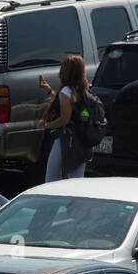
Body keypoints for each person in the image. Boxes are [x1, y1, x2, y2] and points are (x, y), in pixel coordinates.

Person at [36, 53, 90, 181]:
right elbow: (67, 105)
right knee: (76, 180)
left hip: (66, 140)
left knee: (51, 179)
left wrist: (46, 125)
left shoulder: (66, 91)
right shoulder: (83, 89)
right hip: (83, 140)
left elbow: (64, 119)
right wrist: (50, 92)